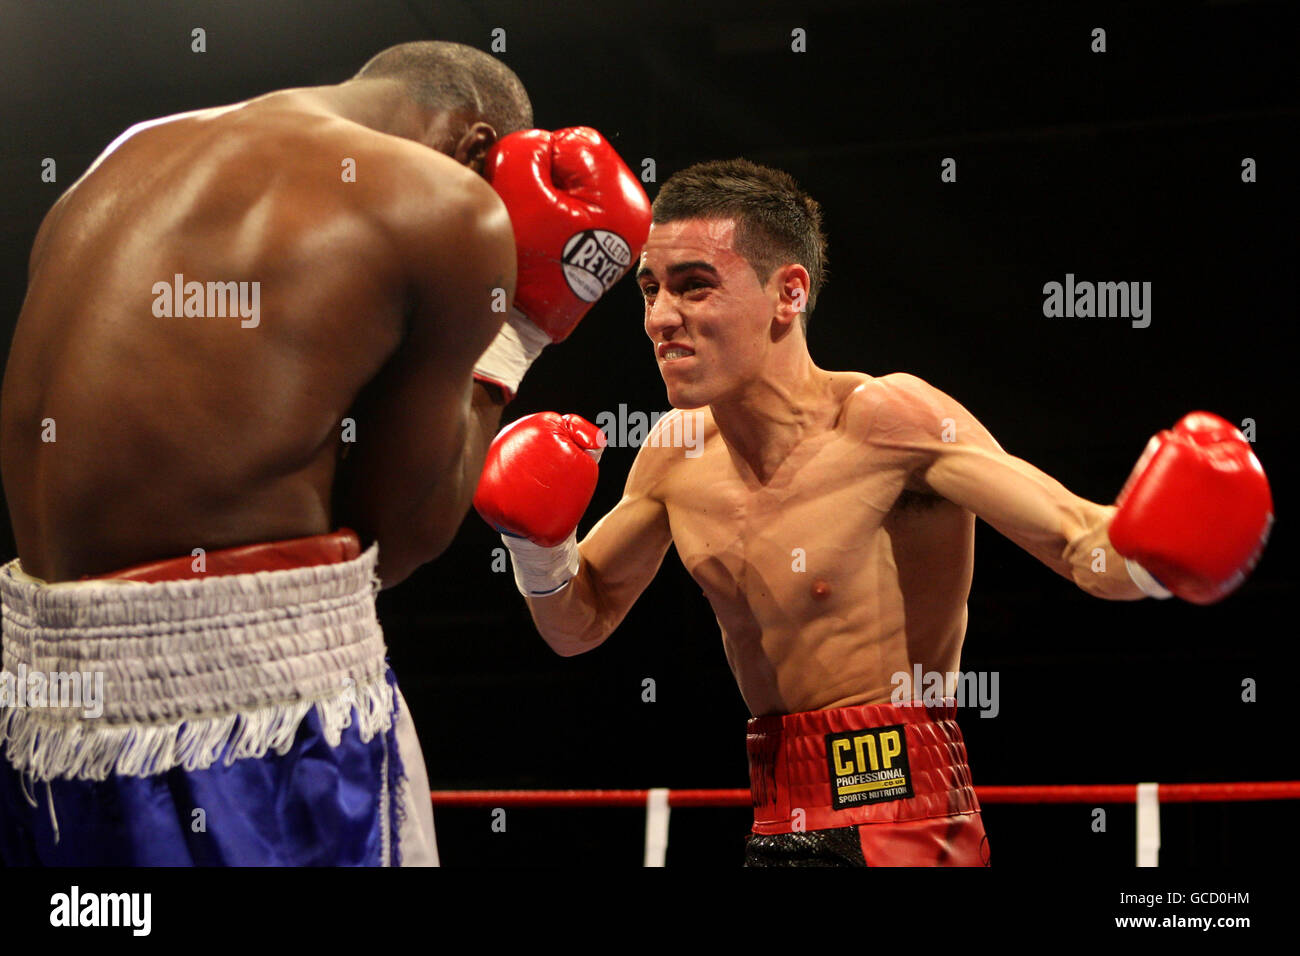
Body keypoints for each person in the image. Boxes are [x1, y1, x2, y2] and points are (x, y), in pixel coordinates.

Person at [472, 158, 1273, 866]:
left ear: (790, 292)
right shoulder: (674, 453)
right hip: (776, 814)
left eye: (694, 286)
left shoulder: (890, 419)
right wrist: (539, 549)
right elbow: (578, 626)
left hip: (905, 812)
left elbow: (1080, 544)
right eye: (650, 288)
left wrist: (1151, 552)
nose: (659, 318)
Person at [0, 40, 652, 865]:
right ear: (477, 148)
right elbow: (399, 542)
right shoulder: (449, 201)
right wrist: (520, 328)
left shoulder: (126, 152)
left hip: (46, 722)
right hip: (257, 717)